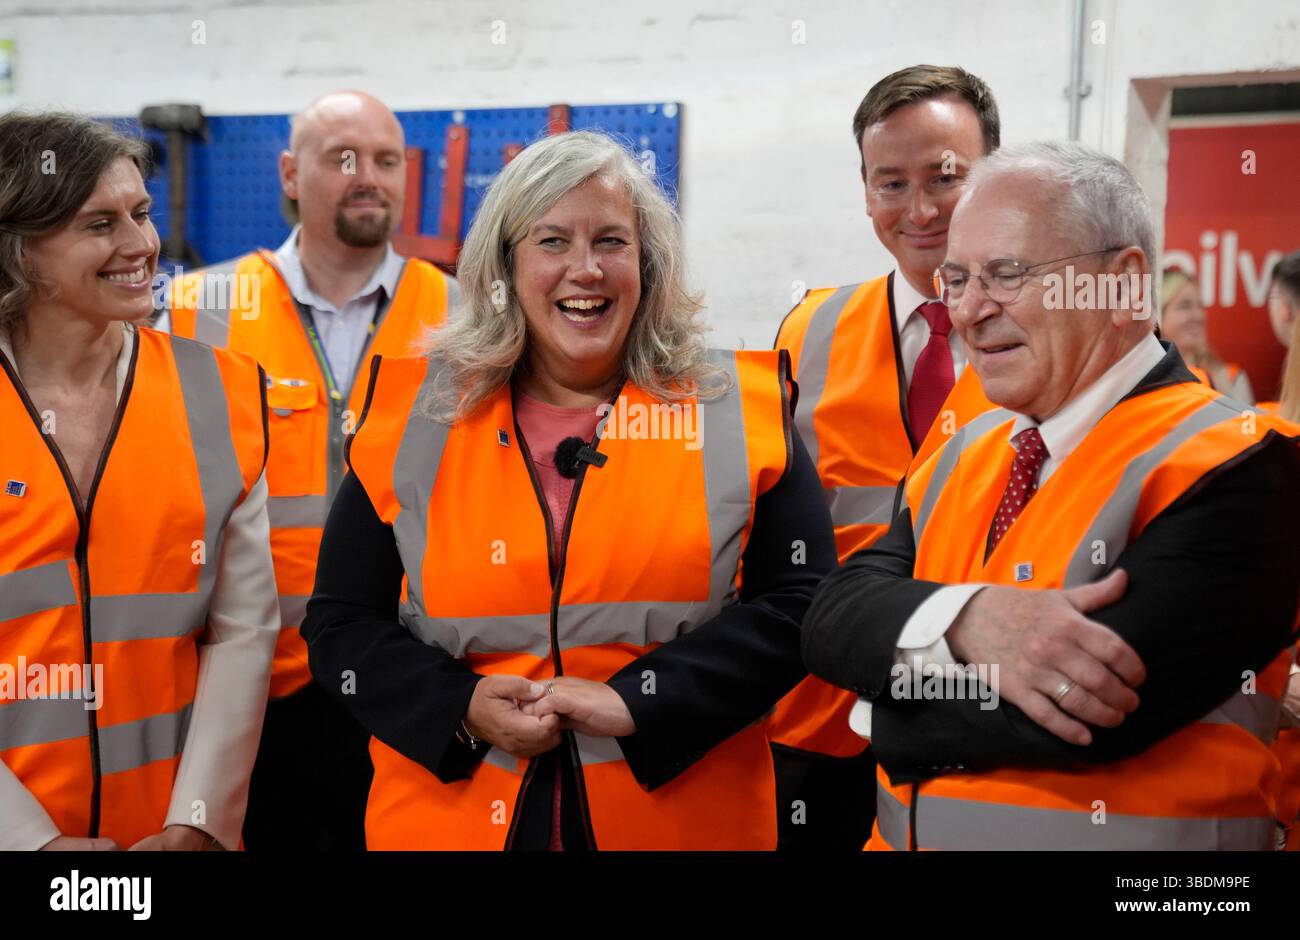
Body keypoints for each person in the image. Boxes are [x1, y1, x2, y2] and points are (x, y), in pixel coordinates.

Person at [301, 129, 836, 850]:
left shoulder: (737, 409)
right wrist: (460, 706)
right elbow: (341, 623)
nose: (585, 270)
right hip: (451, 822)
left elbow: (802, 606)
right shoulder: (412, 417)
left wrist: (640, 702)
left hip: (682, 823)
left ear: (645, 263)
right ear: (505, 267)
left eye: (611, 241)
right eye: (552, 241)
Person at [802, 141, 1300, 850]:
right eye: (956, 278)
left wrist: (877, 709)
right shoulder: (958, 455)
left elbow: (1092, 710)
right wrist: (973, 618)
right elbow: (832, 619)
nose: (968, 312)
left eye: (1006, 275)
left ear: (1124, 283)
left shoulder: (1246, 461)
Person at [166, 90, 460, 850]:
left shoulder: (462, 313)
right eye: (344, 158)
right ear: (291, 174)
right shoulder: (199, 311)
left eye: (387, 160)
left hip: (413, 675)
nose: (370, 177)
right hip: (255, 683)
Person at [0, 111, 276, 851]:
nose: (141, 245)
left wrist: (199, 822)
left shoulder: (220, 391)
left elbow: (243, 633)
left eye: (142, 213)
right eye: (100, 224)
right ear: (20, 250)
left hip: (172, 840)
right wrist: (29, 841)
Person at [768, 64, 999, 850]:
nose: (921, 209)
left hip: (979, 723)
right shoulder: (809, 331)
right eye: (889, 183)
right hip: (817, 724)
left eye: (946, 178)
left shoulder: (1059, 341)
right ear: (865, 191)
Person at [1160, 268, 1255, 403]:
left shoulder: (1231, 378)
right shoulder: (1143, 381)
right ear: (1158, 315)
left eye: (1200, 306)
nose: (1198, 315)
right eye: (1184, 306)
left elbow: (1249, 424)